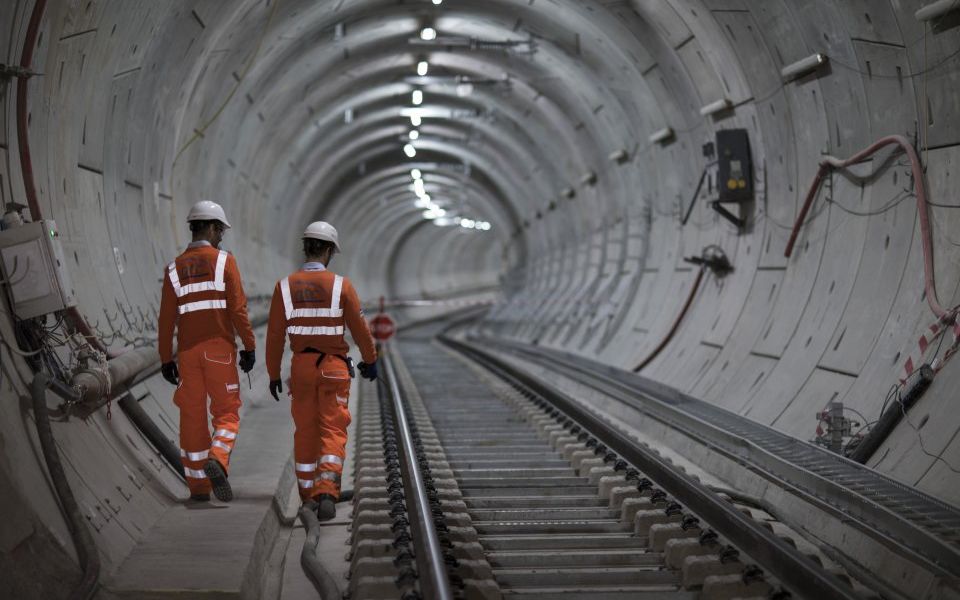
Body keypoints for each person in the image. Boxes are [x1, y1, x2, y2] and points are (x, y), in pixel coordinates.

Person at [266, 221, 377, 520]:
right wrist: (371, 359)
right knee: (332, 428)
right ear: (328, 250)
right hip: (333, 368)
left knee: (305, 431)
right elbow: (361, 331)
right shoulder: (342, 286)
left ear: (306, 249)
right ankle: (327, 489)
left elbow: (275, 335)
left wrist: (273, 373)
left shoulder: (284, 286)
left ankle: (307, 497)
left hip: (300, 368)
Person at [157, 200, 256, 503]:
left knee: (192, 417)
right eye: (220, 231)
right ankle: (218, 457)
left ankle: (199, 487)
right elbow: (238, 310)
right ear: (212, 228)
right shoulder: (225, 262)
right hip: (219, 351)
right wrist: (249, 346)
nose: (221, 236)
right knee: (227, 413)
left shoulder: (174, 268)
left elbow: (166, 319)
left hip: (187, 354)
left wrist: (165, 358)